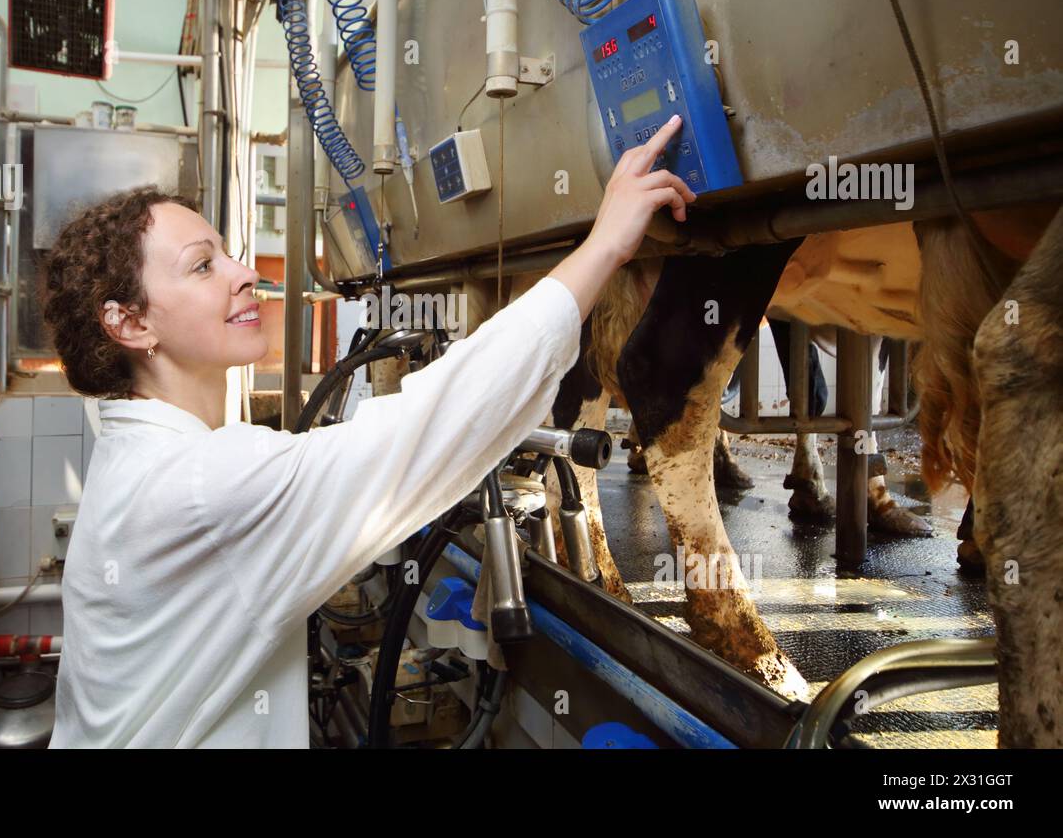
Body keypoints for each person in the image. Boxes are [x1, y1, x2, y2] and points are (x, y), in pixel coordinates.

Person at [41, 115, 695, 747]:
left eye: (229, 254)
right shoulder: (198, 486)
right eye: (202, 265)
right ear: (130, 325)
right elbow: (429, 424)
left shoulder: (138, 456)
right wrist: (606, 244)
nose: (245, 273)